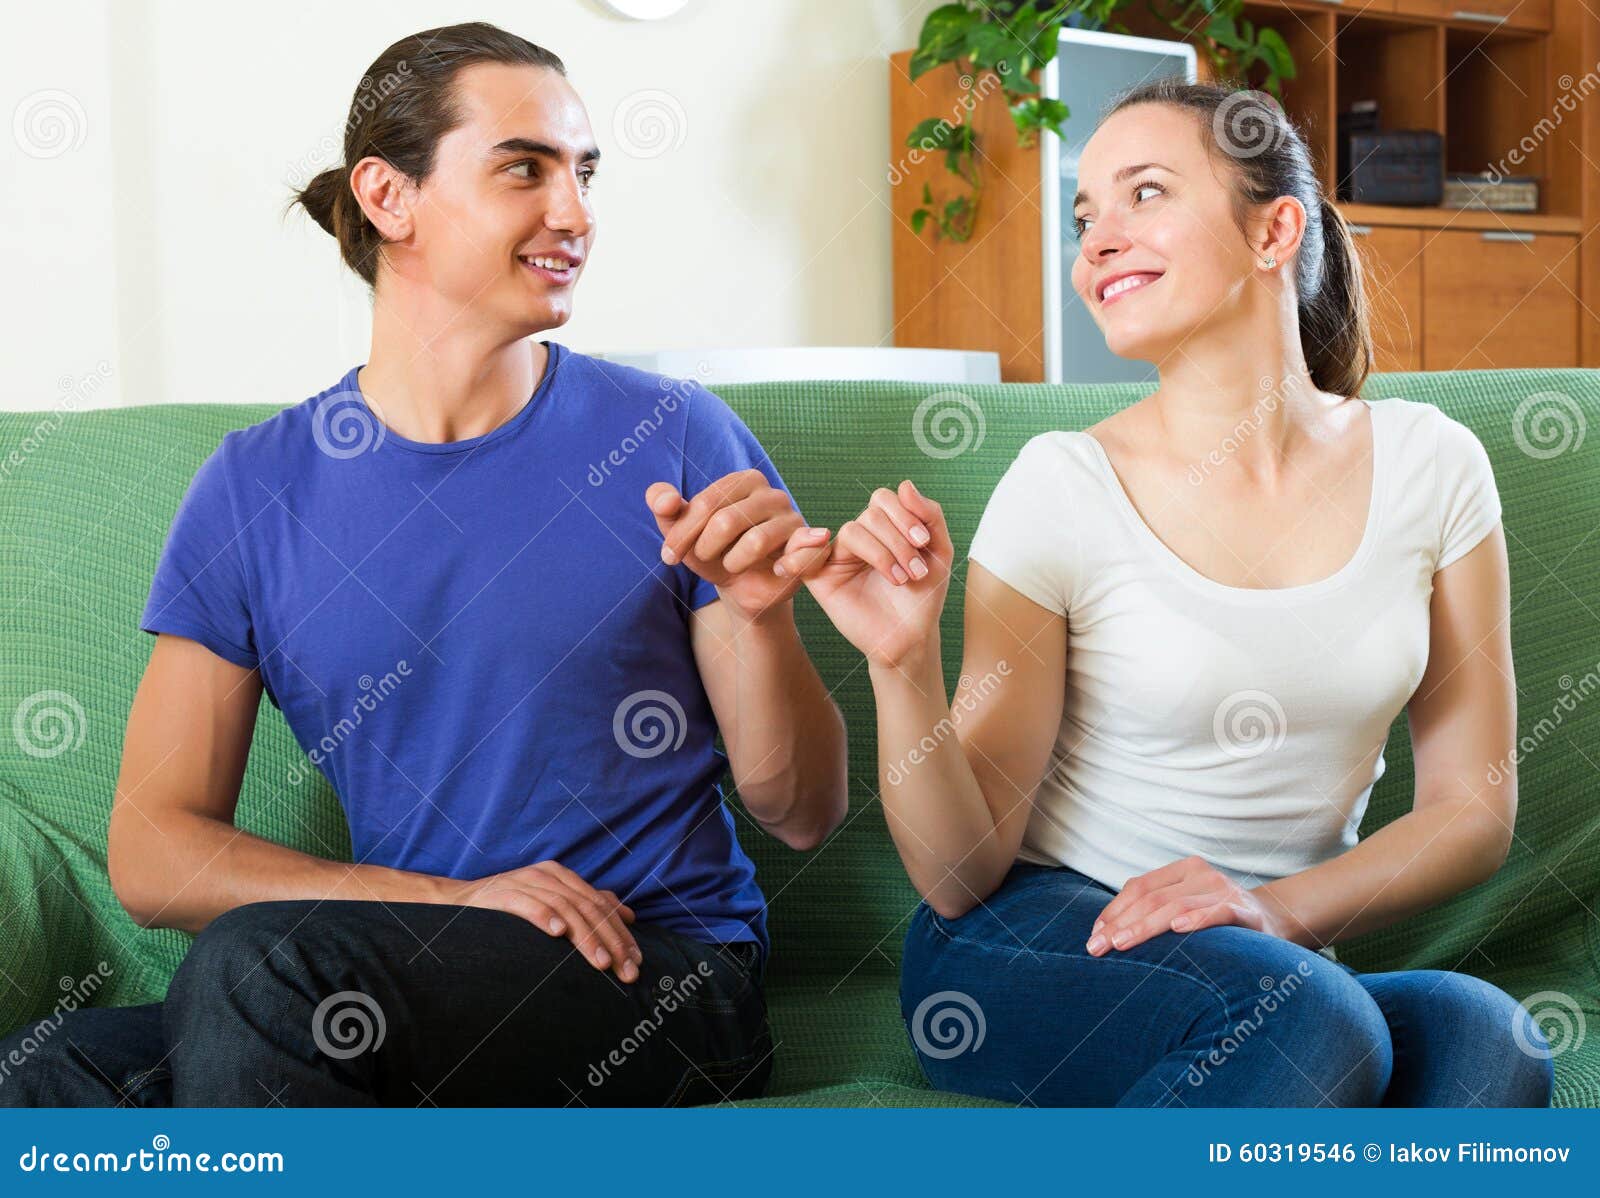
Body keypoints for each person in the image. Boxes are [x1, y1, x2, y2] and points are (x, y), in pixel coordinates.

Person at [0, 21, 846, 1108]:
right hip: (389, 978)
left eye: (584, 174)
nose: (575, 212)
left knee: (263, 973)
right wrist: (451, 901)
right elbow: (155, 851)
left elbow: (802, 810)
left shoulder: (674, 437)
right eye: (525, 170)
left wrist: (761, 620)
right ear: (389, 197)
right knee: (44, 1075)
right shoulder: (256, 487)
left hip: (658, 977)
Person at [798, 78, 1553, 1107]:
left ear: (1273, 231)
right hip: (1034, 943)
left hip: (1265, 960)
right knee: (1310, 1019)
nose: (1097, 241)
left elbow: (1472, 810)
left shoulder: (1434, 464)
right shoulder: (1061, 486)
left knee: (1488, 1038)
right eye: (1084, 218)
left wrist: (1275, 909)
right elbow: (958, 875)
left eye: (1144, 193)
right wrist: (901, 663)